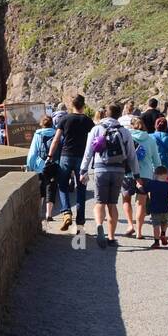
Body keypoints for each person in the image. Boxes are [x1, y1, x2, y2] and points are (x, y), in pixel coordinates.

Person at [80, 102, 139, 248]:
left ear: (106, 113)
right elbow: (132, 155)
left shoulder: (97, 129)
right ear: (119, 115)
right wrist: (137, 175)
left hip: (101, 169)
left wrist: (83, 170)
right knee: (112, 204)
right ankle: (111, 237)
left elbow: (88, 152)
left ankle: (100, 225)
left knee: (100, 202)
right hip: (119, 170)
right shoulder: (125, 131)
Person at [48, 94, 95, 232]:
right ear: (83, 105)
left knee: (62, 184)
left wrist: (50, 155)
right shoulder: (87, 121)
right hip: (82, 158)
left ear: (72, 105)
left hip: (66, 156)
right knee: (81, 188)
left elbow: (56, 140)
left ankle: (66, 212)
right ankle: (80, 223)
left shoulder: (64, 119)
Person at [124, 114, 158, 238]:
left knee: (126, 200)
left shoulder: (127, 137)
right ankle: (139, 231)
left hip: (128, 173)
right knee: (141, 204)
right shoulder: (150, 139)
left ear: (131, 126)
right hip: (146, 174)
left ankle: (130, 225)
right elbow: (157, 160)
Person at [27, 115, 58, 221]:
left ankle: (39, 212)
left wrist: (30, 166)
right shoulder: (56, 134)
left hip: (40, 166)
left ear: (41, 124)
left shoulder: (38, 134)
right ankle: (49, 214)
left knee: (41, 189)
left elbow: (32, 153)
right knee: (51, 188)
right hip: (53, 164)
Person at [144, 165, 168, 248]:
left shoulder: (152, 183)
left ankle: (156, 242)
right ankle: (163, 234)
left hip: (154, 208)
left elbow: (144, 191)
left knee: (156, 225)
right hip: (165, 208)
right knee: (164, 222)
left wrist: (139, 186)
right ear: (166, 175)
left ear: (156, 174)